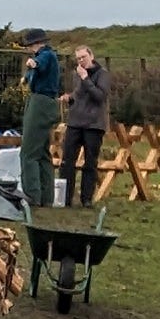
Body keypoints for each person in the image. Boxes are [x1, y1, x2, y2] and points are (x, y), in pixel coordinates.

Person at [59, 43, 111, 209]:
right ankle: (65, 198)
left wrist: (86, 79)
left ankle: (86, 199)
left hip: (94, 124)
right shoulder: (77, 74)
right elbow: (79, 94)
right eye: (78, 58)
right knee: (67, 161)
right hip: (75, 122)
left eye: (83, 57)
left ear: (91, 56)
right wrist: (70, 98)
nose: (81, 61)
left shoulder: (102, 74)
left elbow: (99, 96)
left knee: (90, 162)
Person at [18, 30, 66, 205]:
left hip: (40, 103)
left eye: (31, 45)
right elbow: (35, 72)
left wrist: (33, 64)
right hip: (46, 103)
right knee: (43, 153)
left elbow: (39, 64)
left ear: (38, 43)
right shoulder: (48, 55)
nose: (31, 49)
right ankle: (47, 198)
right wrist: (26, 77)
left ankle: (31, 197)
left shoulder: (46, 55)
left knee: (28, 153)